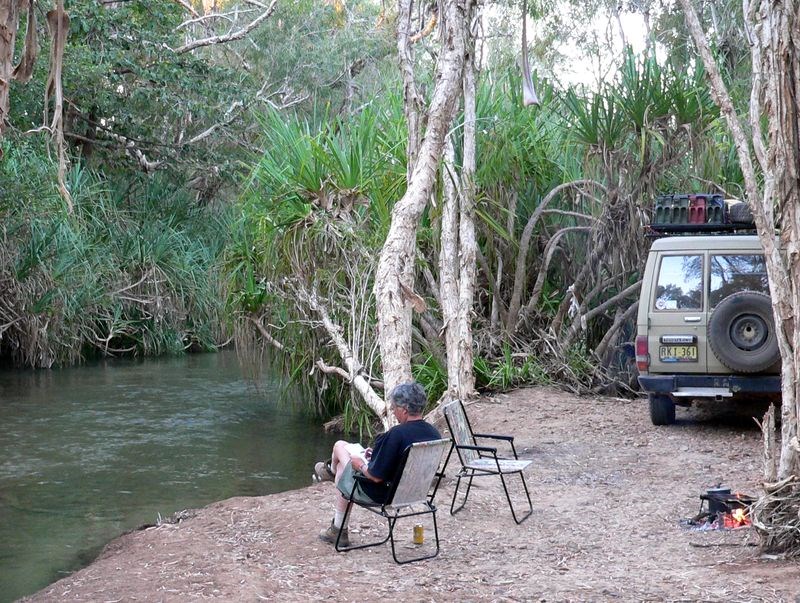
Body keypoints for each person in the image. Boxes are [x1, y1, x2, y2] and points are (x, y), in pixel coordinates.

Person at [316, 381, 441, 547]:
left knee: (341, 454)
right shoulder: (434, 433)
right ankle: (330, 474)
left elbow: (375, 477)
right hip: (415, 492)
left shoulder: (397, 434)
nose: (392, 411)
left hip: (384, 493)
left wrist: (360, 464)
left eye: (394, 407)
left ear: (404, 410)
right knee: (343, 449)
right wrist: (375, 455)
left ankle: (338, 529)